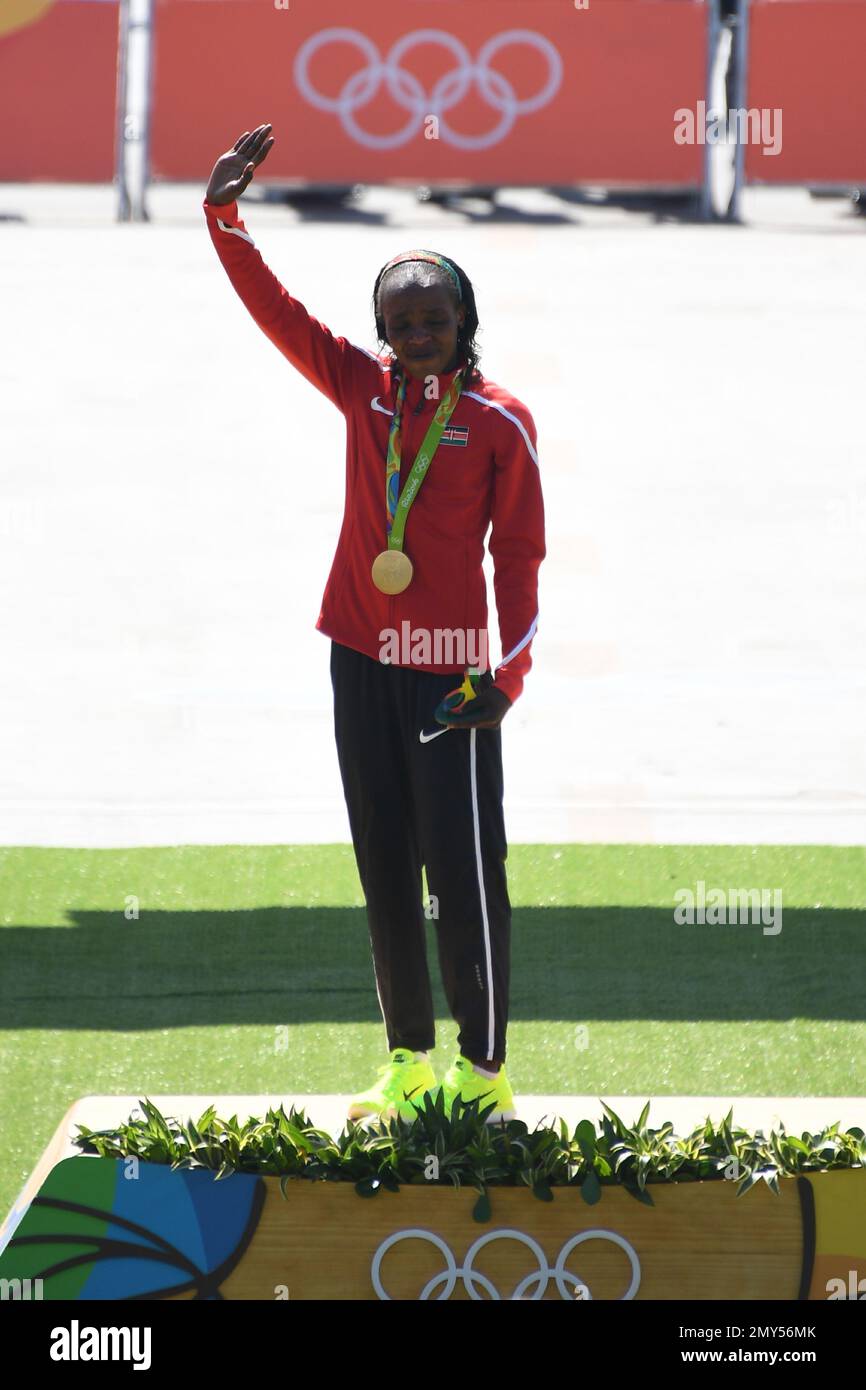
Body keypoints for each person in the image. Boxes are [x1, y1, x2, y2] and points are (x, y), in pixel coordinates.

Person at [203, 124, 545, 1124]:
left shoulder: (498, 420)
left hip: (452, 673)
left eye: (433, 316)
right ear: (382, 333)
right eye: (399, 321)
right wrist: (225, 219)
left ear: (462, 319)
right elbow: (280, 314)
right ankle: (407, 1061)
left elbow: (515, 557)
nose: (416, 333)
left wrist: (507, 678)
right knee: (383, 858)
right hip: (357, 655)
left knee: (467, 869)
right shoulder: (360, 389)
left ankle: (482, 1075)